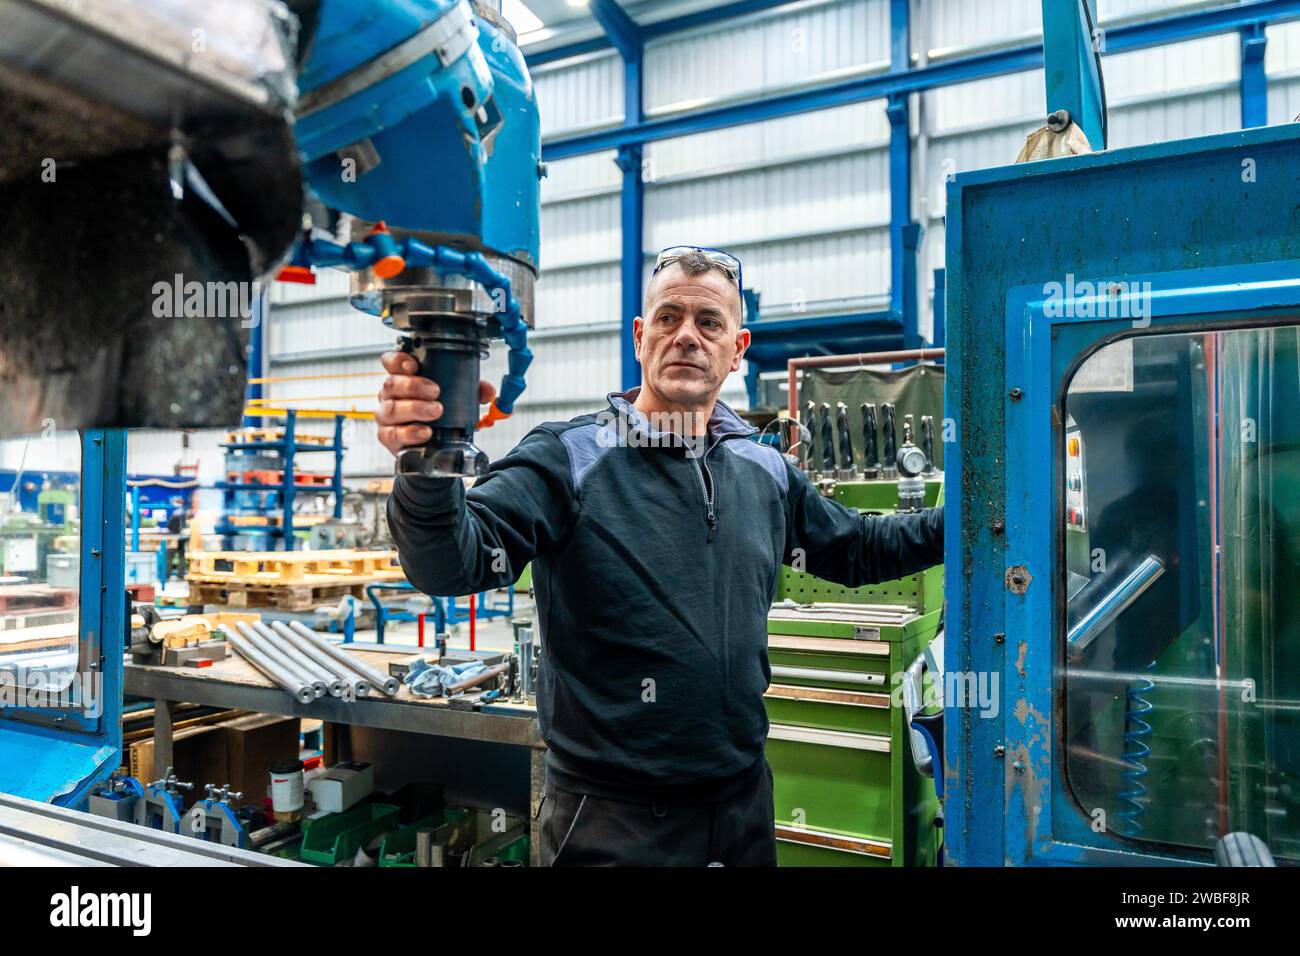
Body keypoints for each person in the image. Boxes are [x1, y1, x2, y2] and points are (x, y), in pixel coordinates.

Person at [379, 246, 944, 866]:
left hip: (742, 806)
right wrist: (423, 465)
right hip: (609, 823)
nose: (687, 337)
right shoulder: (570, 457)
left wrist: (974, 519)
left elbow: (859, 549)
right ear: (640, 338)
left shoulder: (765, 471)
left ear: (738, 348)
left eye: (710, 323)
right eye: (669, 319)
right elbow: (451, 563)